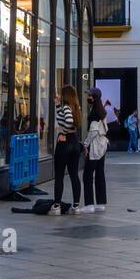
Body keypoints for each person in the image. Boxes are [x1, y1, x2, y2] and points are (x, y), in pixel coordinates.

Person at [52, 86, 82, 215]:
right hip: (75, 142)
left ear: (65, 95)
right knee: (74, 174)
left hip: (65, 143)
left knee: (59, 175)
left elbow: (67, 121)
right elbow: (63, 118)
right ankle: (76, 206)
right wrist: (58, 105)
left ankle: (57, 205)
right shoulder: (76, 107)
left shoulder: (67, 107)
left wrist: (63, 132)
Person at [82, 87, 110, 212]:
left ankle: (89, 205)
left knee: (87, 175)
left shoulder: (94, 113)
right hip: (103, 144)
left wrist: (85, 144)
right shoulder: (102, 111)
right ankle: (101, 203)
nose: (87, 97)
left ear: (94, 98)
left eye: (89, 95)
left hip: (94, 145)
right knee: (100, 173)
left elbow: (93, 131)